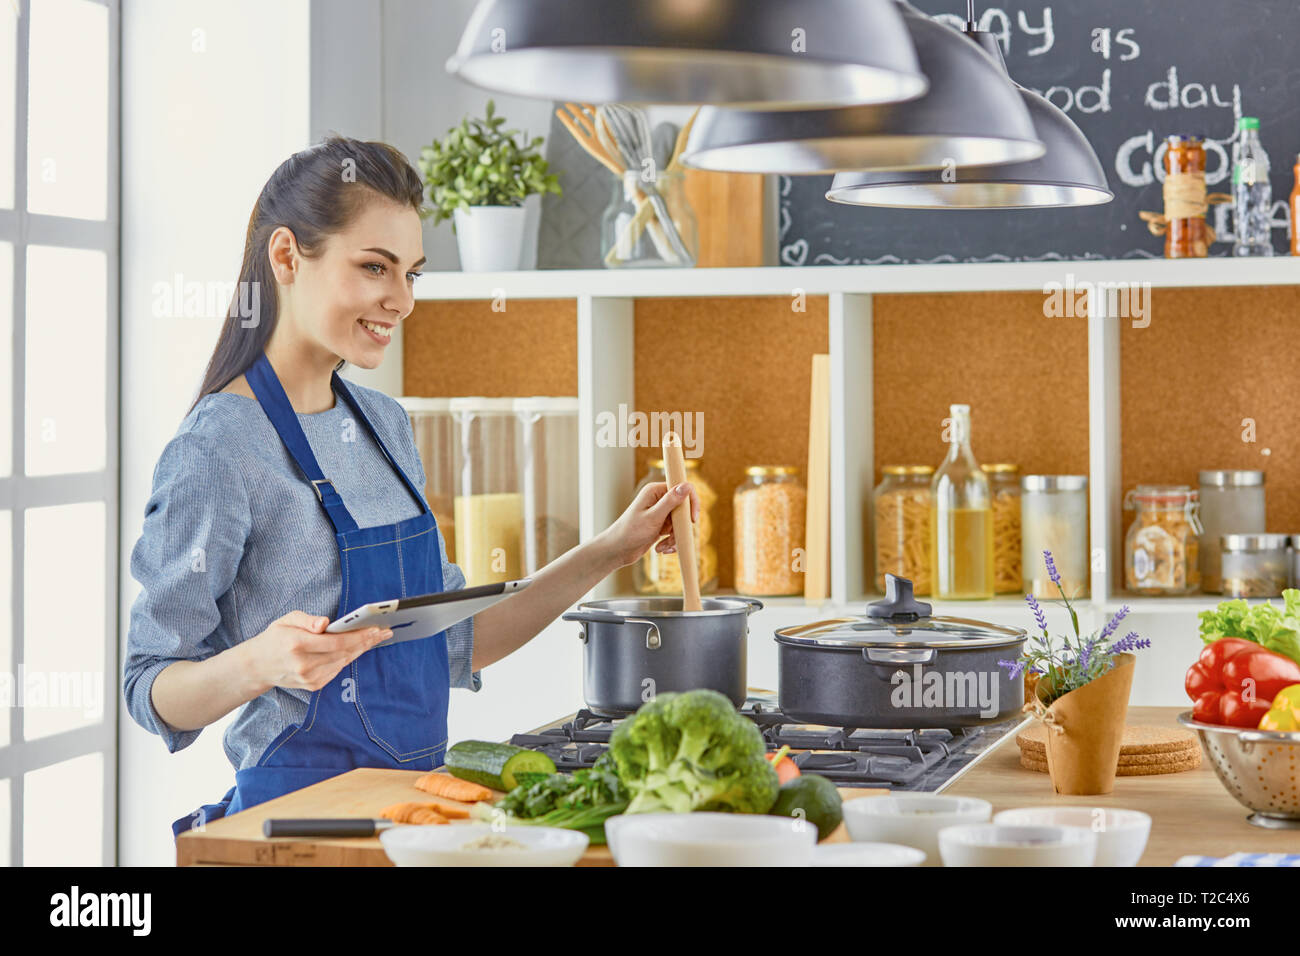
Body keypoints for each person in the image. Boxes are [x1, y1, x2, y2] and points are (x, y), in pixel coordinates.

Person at [122, 135, 699, 837]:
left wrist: (612, 550)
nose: (400, 300)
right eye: (374, 268)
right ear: (285, 258)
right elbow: (151, 687)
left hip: (417, 816)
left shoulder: (384, 426)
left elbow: (459, 638)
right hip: (300, 830)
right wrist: (259, 662)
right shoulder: (219, 448)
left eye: (412, 275)